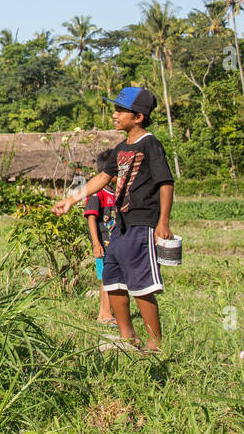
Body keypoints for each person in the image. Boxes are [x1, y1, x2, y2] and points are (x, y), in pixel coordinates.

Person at [52, 87, 174, 352]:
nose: (115, 115)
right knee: (112, 278)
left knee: (141, 284)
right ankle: (127, 336)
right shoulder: (121, 148)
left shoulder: (150, 143)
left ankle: (155, 344)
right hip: (120, 224)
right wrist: (72, 199)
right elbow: (103, 178)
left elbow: (166, 182)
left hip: (143, 223)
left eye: (120, 111)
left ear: (138, 117)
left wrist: (163, 222)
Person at [83, 148, 118, 326]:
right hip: (104, 245)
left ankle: (112, 312)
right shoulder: (98, 194)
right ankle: (104, 314)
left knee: (115, 278)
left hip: (116, 244)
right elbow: (91, 218)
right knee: (107, 279)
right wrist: (96, 244)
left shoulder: (117, 193)